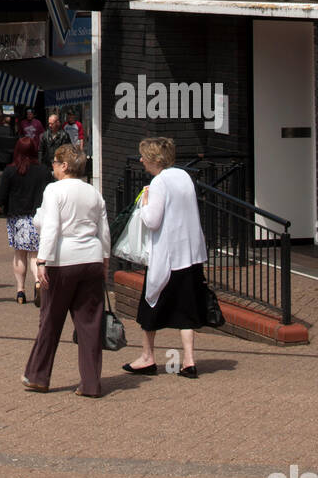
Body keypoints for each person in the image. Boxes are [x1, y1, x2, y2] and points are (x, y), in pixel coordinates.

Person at [23, 145, 111, 397]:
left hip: (63, 260)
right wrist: (104, 258)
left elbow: (50, 226)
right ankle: (91, 383)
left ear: (64, 165)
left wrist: (42, 260)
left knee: (50, 319)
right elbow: (103, 229)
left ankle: (38, 376)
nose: (52, 166)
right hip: (91, 258)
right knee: (89, 323)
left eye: (54, 162)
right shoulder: (94, 193)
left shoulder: (54, 190)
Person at [123, 136, 209, 380]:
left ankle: (147, 357)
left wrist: (144, 203)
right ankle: (189, 360)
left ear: (154, 160)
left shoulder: (159, 183)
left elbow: (152, 220)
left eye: (144, 156)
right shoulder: (184, 176)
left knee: (151, 304)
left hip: (168, 255)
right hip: (190, 253)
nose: (140, 160)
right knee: (186, 307)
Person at [0, 137, 50, 303]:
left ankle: (20, 291)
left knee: (19, 255)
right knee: (36, 255)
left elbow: (1, 197)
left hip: (17, 219)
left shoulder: (10, 171)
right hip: (39, 218)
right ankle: (37, 282)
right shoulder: (43, 171)